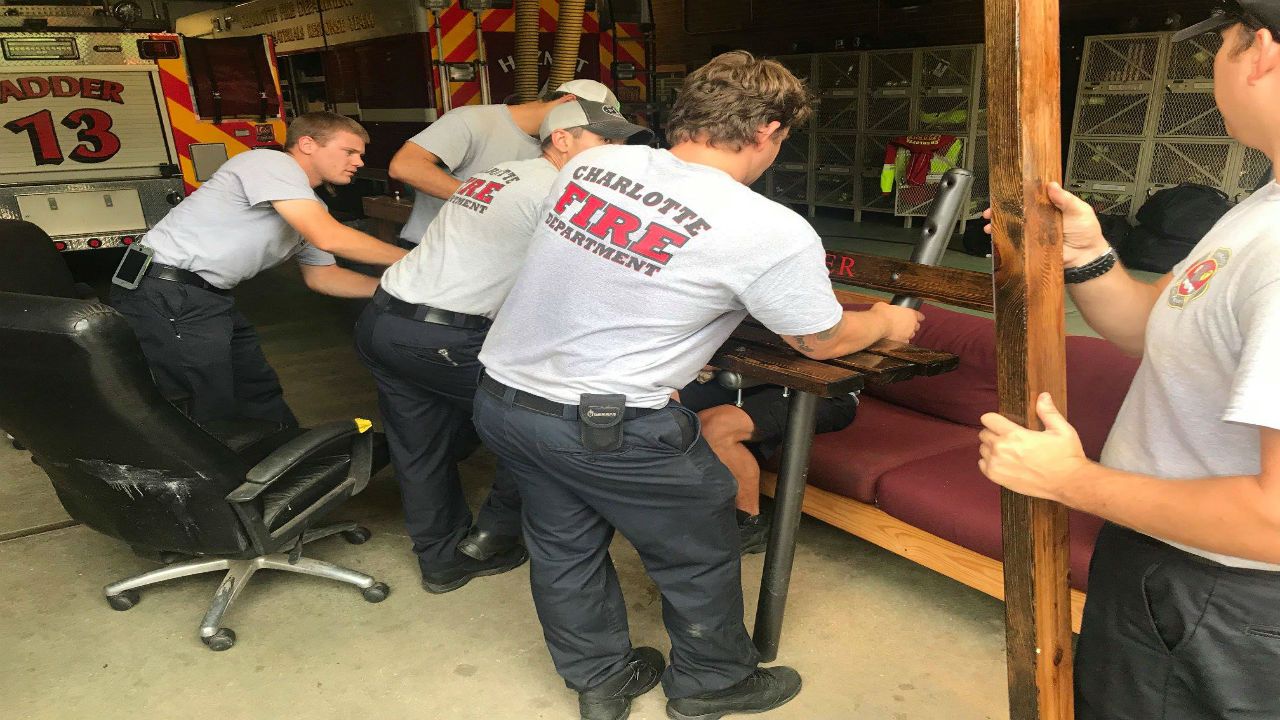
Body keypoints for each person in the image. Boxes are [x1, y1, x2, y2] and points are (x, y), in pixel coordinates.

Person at [471, 51, 923, 720]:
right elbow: (819, 340)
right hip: (605, 426)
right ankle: (711, 683)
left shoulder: (595, 166)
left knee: (563, 547)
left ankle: (601, 682)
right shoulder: (767, 229)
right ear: (769, 131)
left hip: (505, 400)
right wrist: (886, 320)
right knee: (698, 549)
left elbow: (603, 275)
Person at [977, 4, 1280, 718]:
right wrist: (1087, 254)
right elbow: (1160, 331)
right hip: (1172, 568)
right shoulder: (1259, 207)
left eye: (1220, 46)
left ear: (1261, 52)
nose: (1212, 69)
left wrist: (1071, 480)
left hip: (1223, 600)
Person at [355, 99, 652, 594]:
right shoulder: (562, 191)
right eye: (605, 140)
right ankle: (493, 536)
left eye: (622, 143)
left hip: (385, 319)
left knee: (419, 447)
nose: (616, 152)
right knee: (537, 425)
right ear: (562, 140)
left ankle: (440, 561)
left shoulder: (502, 174)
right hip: (443, 337)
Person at [110, 112, 405, 427]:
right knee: (199, 403)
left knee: (257, 389)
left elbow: (324, 276)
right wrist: (417, 261)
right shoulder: (269, 163)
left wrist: (401, 288)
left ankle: (285, 452)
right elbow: (329, 237)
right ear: (307, 144)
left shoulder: (309, 209)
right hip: (165, 291)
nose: (359, 162)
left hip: (207, 297)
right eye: (349, 151)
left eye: (360, 155)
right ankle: (212, 459)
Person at [387, 79, 621, 250]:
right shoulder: (472, 120)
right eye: (590, 124)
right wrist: (488, 201)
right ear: (567, 102)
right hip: (436, 253)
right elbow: (405, 166)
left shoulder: (558, 146)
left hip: (492, 260)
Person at [677, 376, 859, 553]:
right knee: (668, 405)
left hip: (821, 391)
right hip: (753, 379)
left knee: (714, 427)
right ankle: (677, 507)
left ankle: (750, 521)